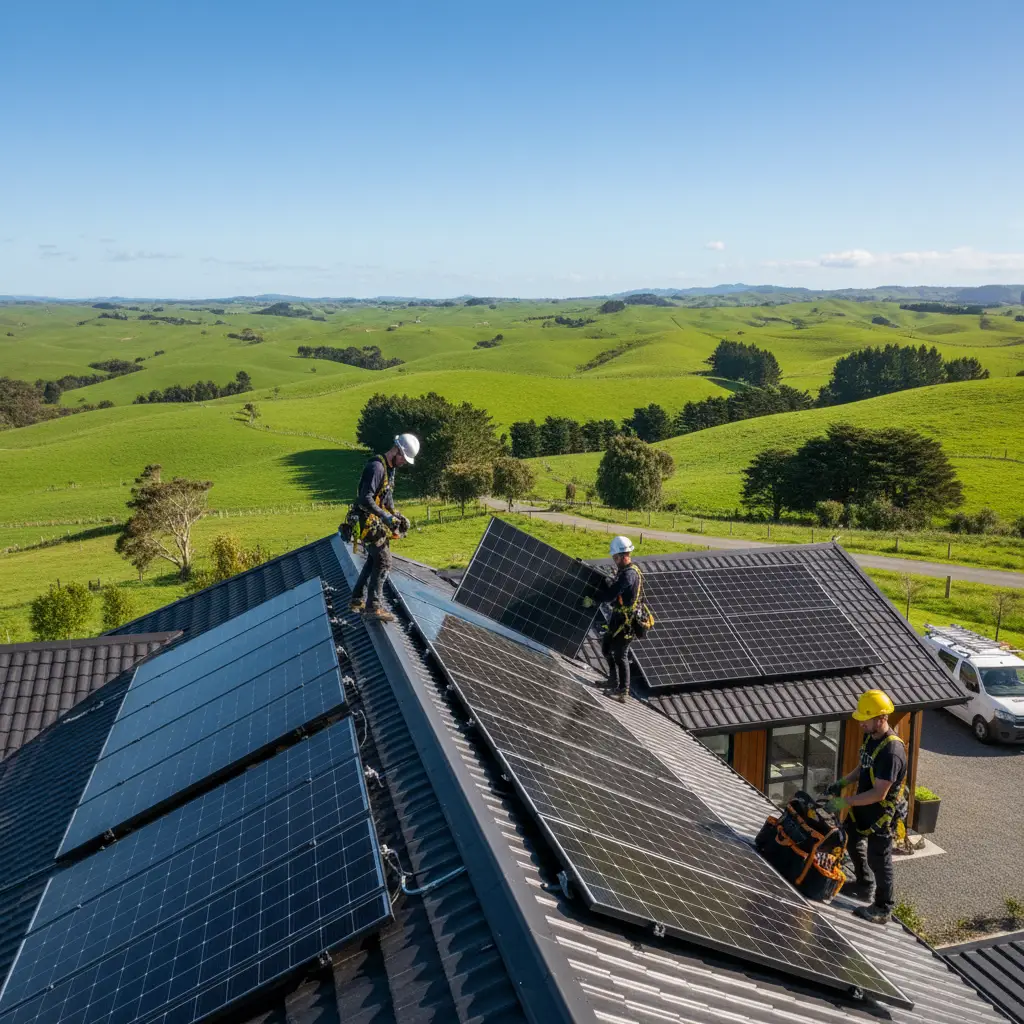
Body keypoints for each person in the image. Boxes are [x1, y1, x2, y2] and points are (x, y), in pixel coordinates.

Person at [825, 689, 908, 925]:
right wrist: (842, 783)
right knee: (850, 838)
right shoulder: (871, 737)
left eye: (865, 719)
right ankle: (863, 885)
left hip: (881, 813)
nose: (861, 723)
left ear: (881, 718)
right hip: (864, 804)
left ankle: (883, 908)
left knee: (878, 859)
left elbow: (880, 792)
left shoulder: (893, 752)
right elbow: (864, 767)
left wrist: (845, 801)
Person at [348, 433, 419, 622]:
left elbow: (386, 497)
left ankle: (357, 599)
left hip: (373, 519)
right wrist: (385, 516)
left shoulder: (390, 469)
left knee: (374, 559)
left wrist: (395, 514)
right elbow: (365, 498)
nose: (403, 462)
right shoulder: (376, 467)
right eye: (403, 458)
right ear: (396, 450)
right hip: (366, 521)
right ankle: (373, 607)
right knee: (384, 560)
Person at [585, 536, 642, 702]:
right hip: (618, 617)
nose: (614, 561)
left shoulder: (629, 575)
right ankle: (613, 680)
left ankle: (623, 691)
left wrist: (595, 599)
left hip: (627, 622)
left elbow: (611, 594)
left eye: (616, 558)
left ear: (625, 555)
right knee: (606, 647)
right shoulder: (624, 571)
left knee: (620, 655)